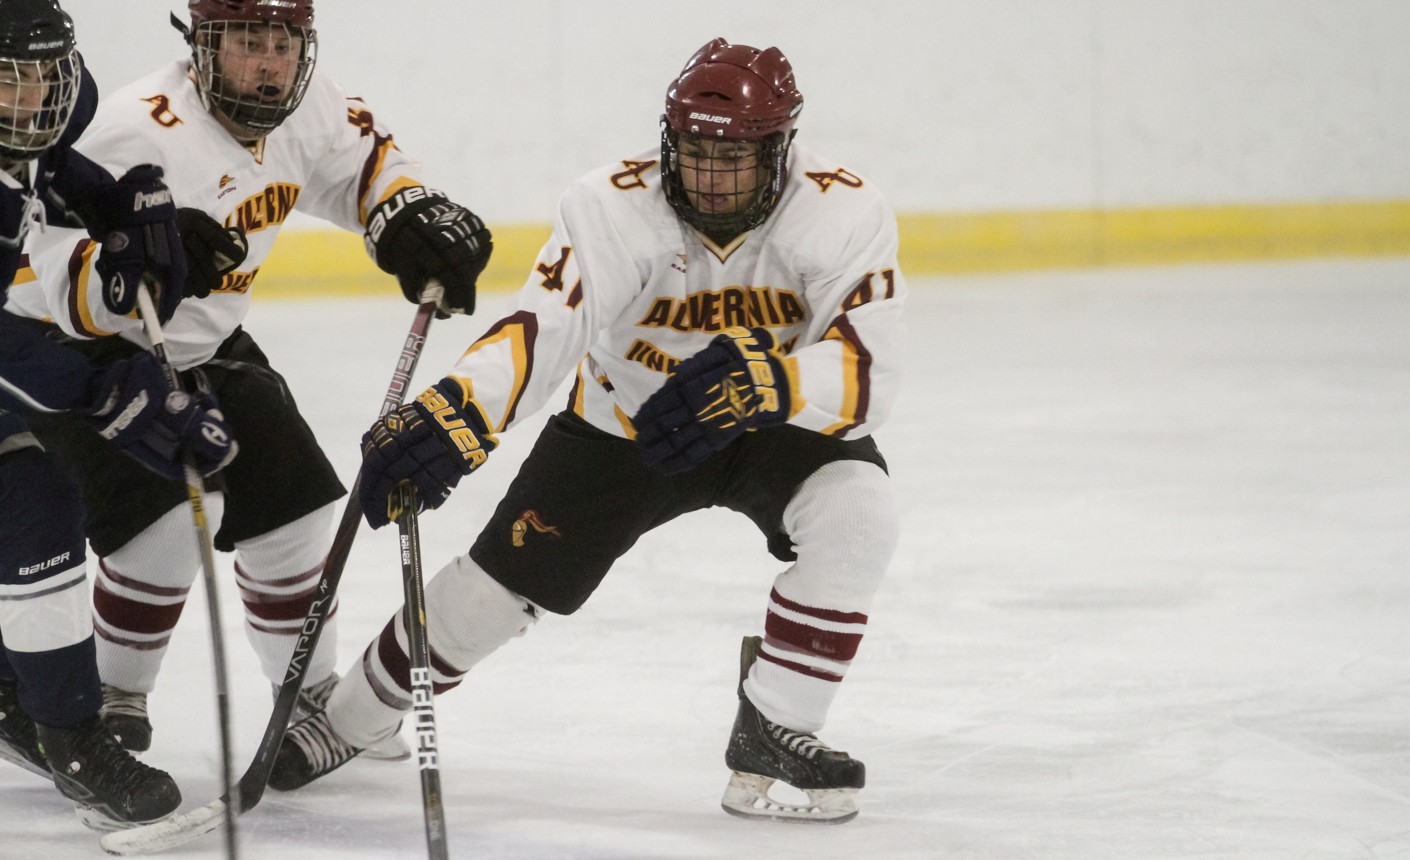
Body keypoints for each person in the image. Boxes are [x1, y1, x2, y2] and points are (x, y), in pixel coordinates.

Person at [270, 38, 906, 824]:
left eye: (734, 155)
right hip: (626, 426)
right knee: (492, 597)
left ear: (780, 148)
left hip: (775, 421)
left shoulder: (842, 208)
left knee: (860, 516)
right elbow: (547, 328)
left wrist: (771, 383)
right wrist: (458, 413)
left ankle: (778, 723)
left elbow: (873, 366)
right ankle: (349, 721)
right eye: (695, 150)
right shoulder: (612, 202)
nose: (708, 174)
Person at [10, 0, 491, 761]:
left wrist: (406, 211)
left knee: (296, 513)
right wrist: (133, 268)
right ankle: (116, 691)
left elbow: (365, 165)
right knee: (165, 527)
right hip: (92, 361)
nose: (266, 62)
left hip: (214, 347)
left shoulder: (316, 104)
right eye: (244, 42)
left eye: (281, 42)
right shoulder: (133, 128)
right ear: (200, 46)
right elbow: (35, 269)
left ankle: (307, 692)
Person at [0, 0, 237, 830]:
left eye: (43, 75)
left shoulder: (49, 107)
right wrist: (103, 391)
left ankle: (26, 697)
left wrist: (127, 210)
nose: (32, 98)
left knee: (36, 504)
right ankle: (69, 738)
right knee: (31, 508)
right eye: (8, 80)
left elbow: (53, 164)